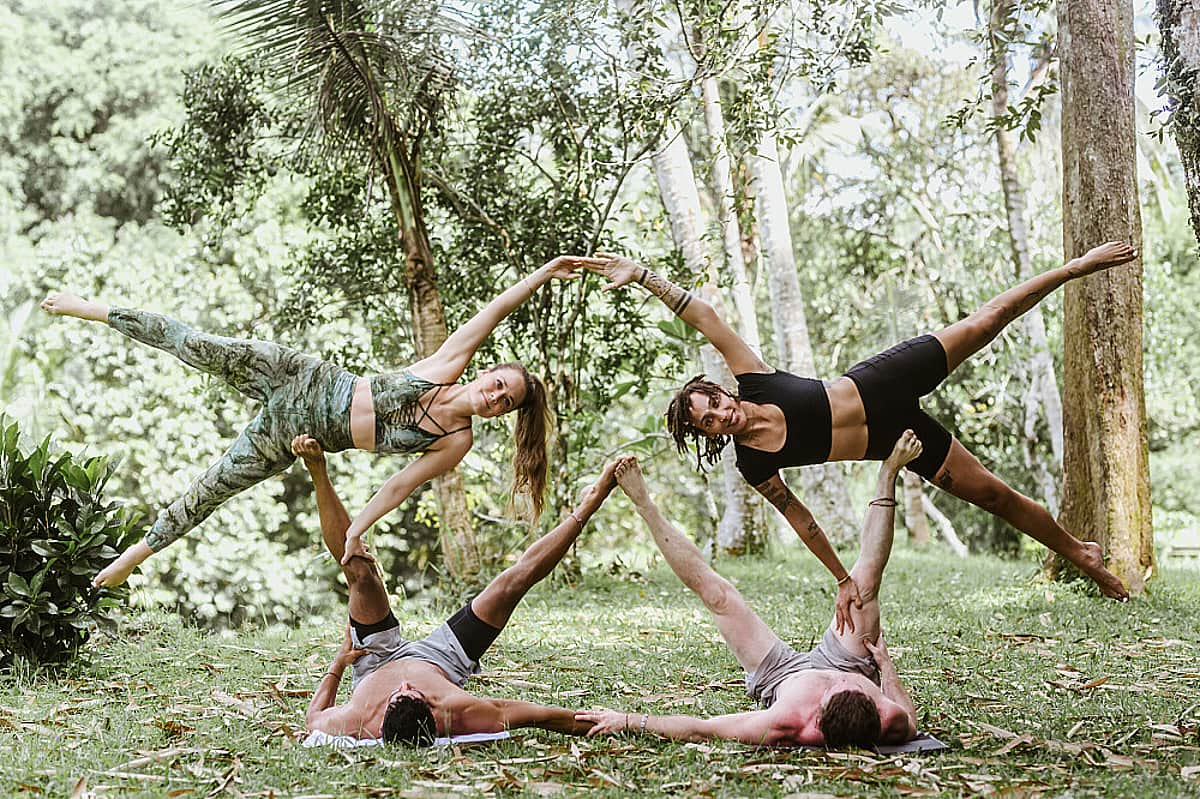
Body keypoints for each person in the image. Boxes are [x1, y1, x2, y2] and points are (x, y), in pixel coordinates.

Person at [583, 243, 1135, 605]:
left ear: (723, 392)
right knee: (993, 496)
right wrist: (843, 579)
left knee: (985, 322)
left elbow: (704, 316)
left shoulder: (753, 380)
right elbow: (802, 520)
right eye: (709, 422)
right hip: (900, 442)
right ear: (709, 435)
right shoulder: (754, 463)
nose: (721, 414)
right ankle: (1080, 554)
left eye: (715, 403)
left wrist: (644, 277)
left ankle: (1074, 266)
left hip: (883, 382)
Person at [40, 256, 606, 587]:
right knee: (196, 343)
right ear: (486, 373)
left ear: (504, 415)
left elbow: (398, 485)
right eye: (497, 385)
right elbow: (497, 307)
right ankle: (90, 307)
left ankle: (127, 562)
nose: (494, 398)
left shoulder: (455, 440)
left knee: (211, 490)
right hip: (298, 376)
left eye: (504, 402)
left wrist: (359, 528)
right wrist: (548, 271)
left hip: (296, 438)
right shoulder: (447, 364)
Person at [575, 433, 924, 748]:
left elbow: (703, 729)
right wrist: (884, 665)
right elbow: (910, 723)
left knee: (719, 598)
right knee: (864, 585)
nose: (831, 683)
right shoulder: (891, 718)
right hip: (846, 660)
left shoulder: (783, 723)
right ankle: (889, 471)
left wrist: (627, 720)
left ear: (814, 722)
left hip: (781, 677)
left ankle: (644, 505)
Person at [296, 434, 619, 742]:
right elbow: (545, 717)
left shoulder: (353, 722)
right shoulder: (462, 713)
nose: (405, 684)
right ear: (437, 716)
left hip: (372, 660)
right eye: (414, 693)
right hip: (442, 660)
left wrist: (338, 663)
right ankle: (593, 500)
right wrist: (619, 723)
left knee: (359, 572)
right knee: (513, 583)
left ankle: (317, 469)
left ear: (379, 722)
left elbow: (314, 717)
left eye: (400, 694)